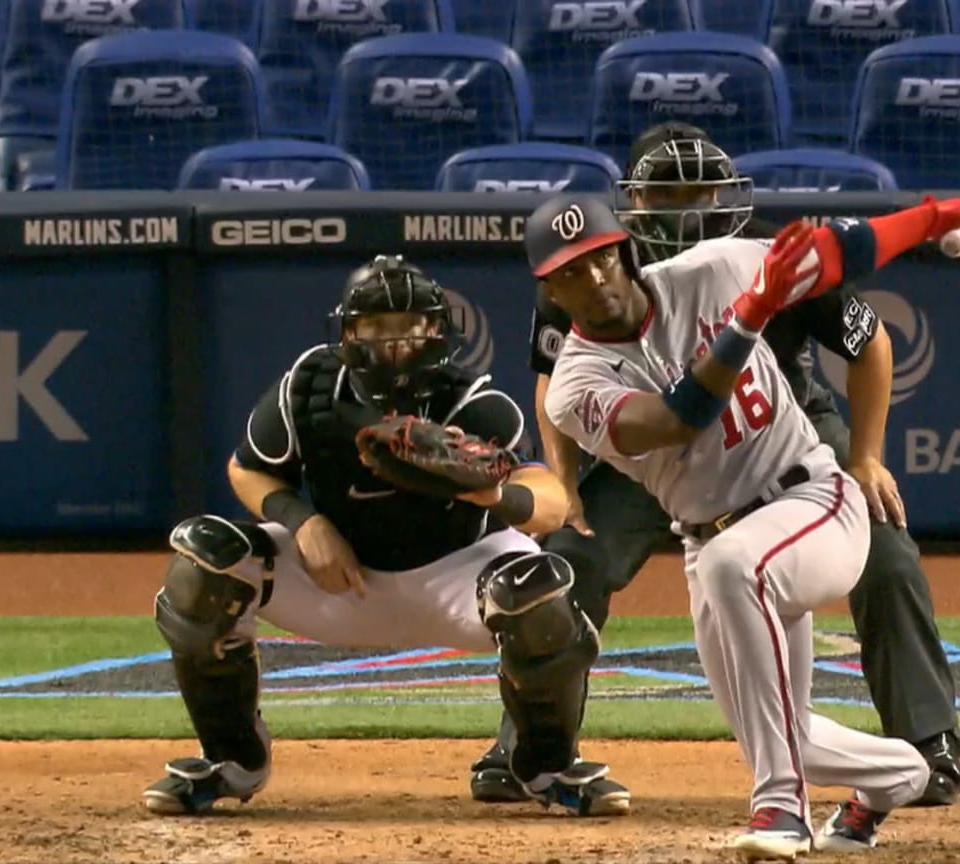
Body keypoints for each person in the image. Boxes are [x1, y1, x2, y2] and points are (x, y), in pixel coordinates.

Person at [470, 122, 960, 812]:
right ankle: (532, 750)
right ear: (631, 209)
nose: (683, 206)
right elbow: (561, 388)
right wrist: (564, 482)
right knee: (569, 559)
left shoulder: (743, 251)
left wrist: (867, 457)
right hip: (657, 451)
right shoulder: (583, 271)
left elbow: (870, 337)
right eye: (664, 192)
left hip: (783, 418)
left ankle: (927, 742)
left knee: (882, 545)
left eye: (697, 189)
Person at [141, 254, 630, 818]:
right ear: (348, 332)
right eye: (377, 327)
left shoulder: (472, 400)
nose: (395, 343)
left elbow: (551, 501)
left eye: (412, 326)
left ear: (439, 331)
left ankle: (546, 766)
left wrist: (493, 495)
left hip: (454, 578)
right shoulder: (309, 387)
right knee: (204, 560)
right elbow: (245, 468)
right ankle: (231, 760)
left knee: (538, 588)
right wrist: (305, 523)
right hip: (339, 581)